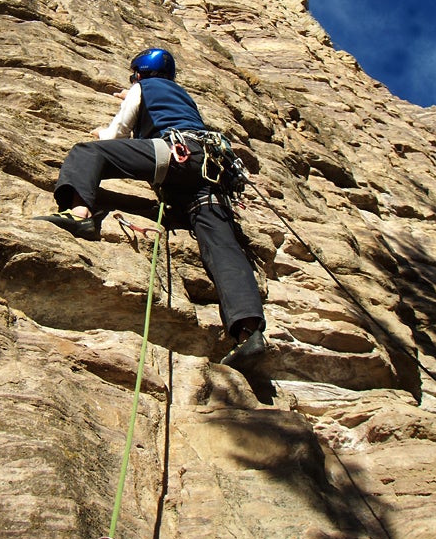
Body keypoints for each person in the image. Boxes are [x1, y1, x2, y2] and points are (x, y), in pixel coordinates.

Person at [36, 47, 266, 373]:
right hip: (209, 173)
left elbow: (118, 132)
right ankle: (248, 332)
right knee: (223, 248)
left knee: (88, 153)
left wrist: (106, 129)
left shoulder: (142, 88)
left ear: (139, 73)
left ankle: (78, 215)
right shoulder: (181, 96)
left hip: (175, 156)